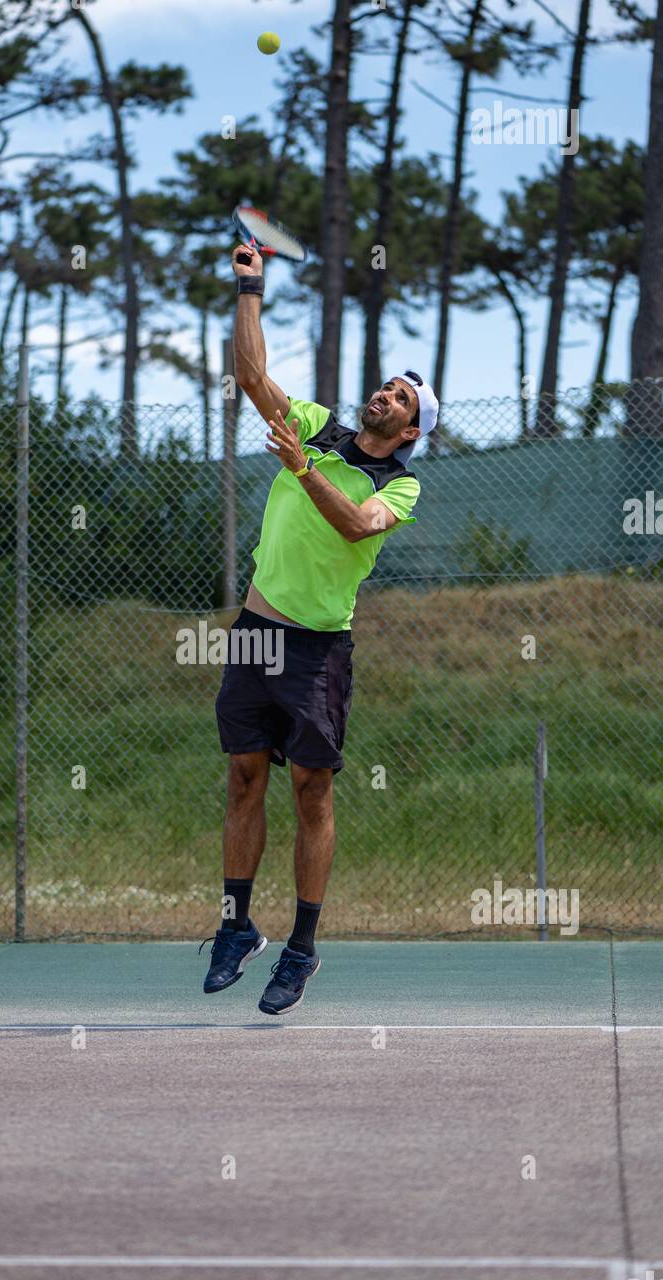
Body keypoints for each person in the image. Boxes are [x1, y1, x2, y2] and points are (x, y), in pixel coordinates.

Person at [202, 242, 439, 1015]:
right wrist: (250, 284)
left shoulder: (399, 485)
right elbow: (250, 376)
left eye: (401, 397)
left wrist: (302, 469)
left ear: (409, 430)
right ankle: (238, 927)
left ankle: (302, 949)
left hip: (316, 653)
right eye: (385, 385)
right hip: (255, 633)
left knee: (310, 793)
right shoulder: (318, 425)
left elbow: (354, 528)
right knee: (242, 778)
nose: (385, 395)